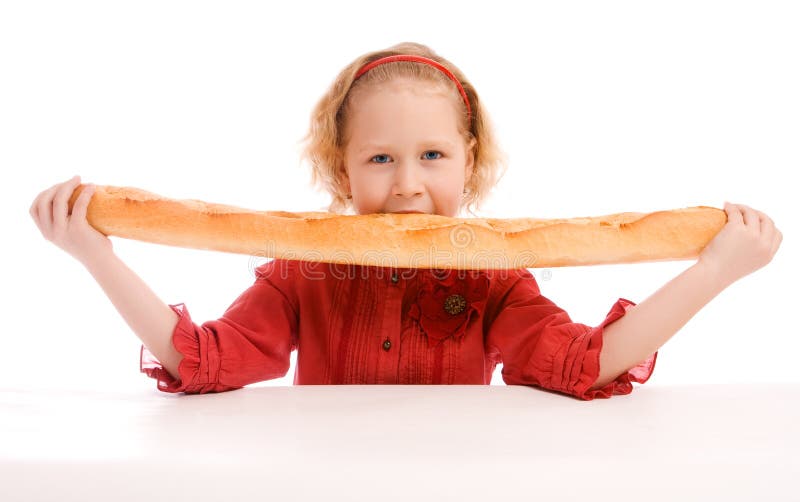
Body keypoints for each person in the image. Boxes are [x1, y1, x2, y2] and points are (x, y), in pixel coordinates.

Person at [29, 42, 782, 400]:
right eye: (381, 160)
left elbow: (586, 362)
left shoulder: (494, 278)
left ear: (469, 160)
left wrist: (715, 271)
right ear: (340, 170)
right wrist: (95, 254)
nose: (408, 187)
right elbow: (203, 359)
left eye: (430, 156)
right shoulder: (303, 272)